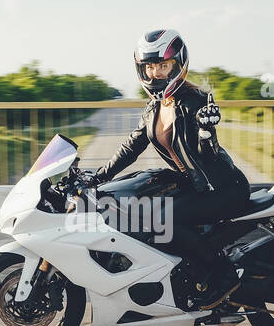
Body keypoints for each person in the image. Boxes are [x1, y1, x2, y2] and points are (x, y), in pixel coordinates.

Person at [88, 28, 250, 309]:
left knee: (164, 222)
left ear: (178, 65)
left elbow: (207, 153)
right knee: (141, 208)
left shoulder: (196, 102)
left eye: (163, 66)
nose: (155, 74)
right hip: (194, 185)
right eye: (149, 67)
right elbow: (132, 146)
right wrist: (99, 175)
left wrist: (206, 131)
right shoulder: (154, 107)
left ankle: (223, 275)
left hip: (222, 188)